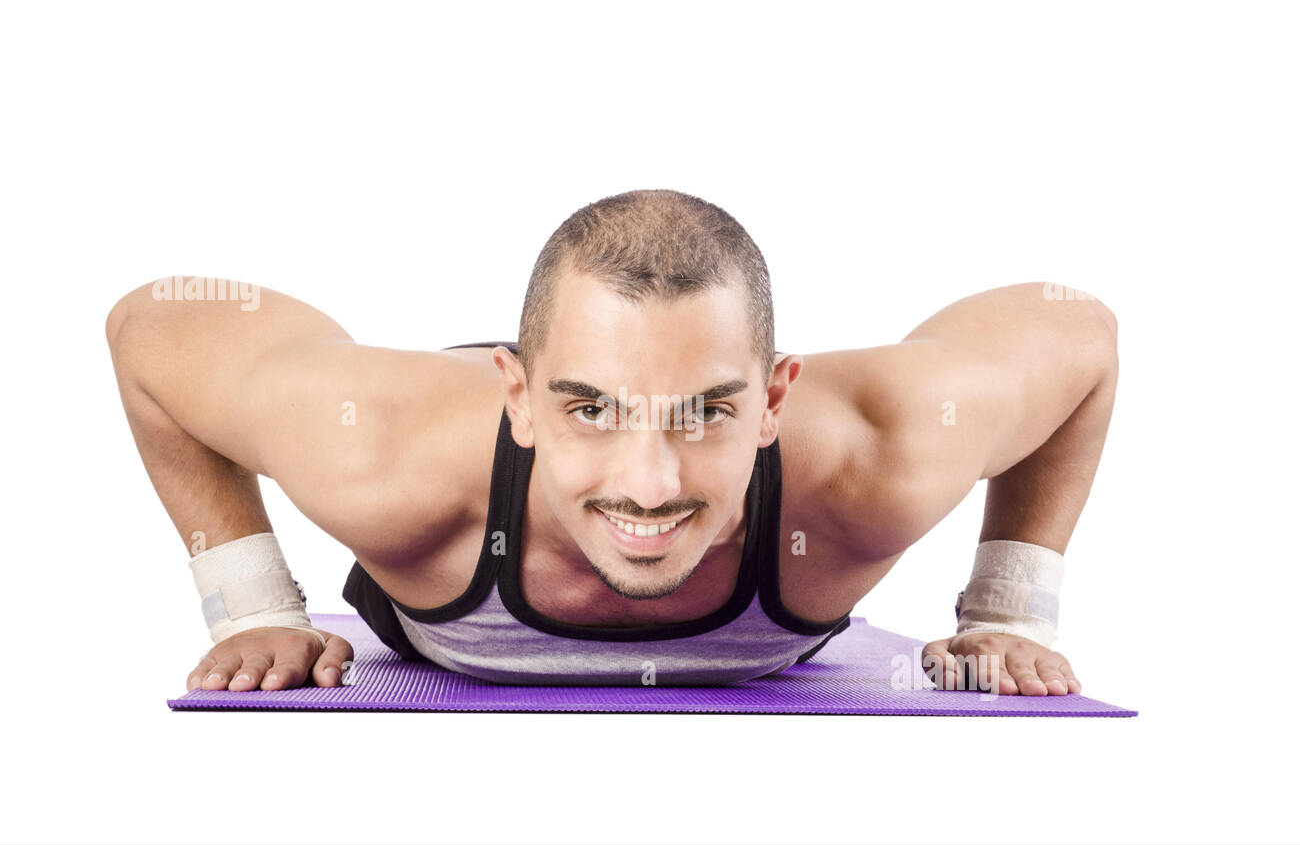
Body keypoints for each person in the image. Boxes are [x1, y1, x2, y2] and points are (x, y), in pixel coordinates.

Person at [105, 189, 1117, 693]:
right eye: (591, 408)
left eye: (706, 412)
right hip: (460, 449)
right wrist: (248, 607)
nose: (647, 484)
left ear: (773, 402)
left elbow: (1077, 336)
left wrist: (1010, 613)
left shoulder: (877, 462)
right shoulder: (382, 455)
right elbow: (152, 329)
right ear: (521, 393)